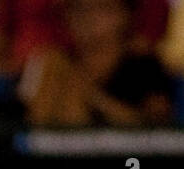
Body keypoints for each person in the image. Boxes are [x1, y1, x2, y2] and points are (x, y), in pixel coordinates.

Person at [23, 0, 174, 125]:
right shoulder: (55, 61)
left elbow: (157, 129)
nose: (87, 18)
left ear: (125, 15)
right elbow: (34, 123)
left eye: (101, 8)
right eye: (78, 9)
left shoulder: (143, 65)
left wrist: (92, 97)